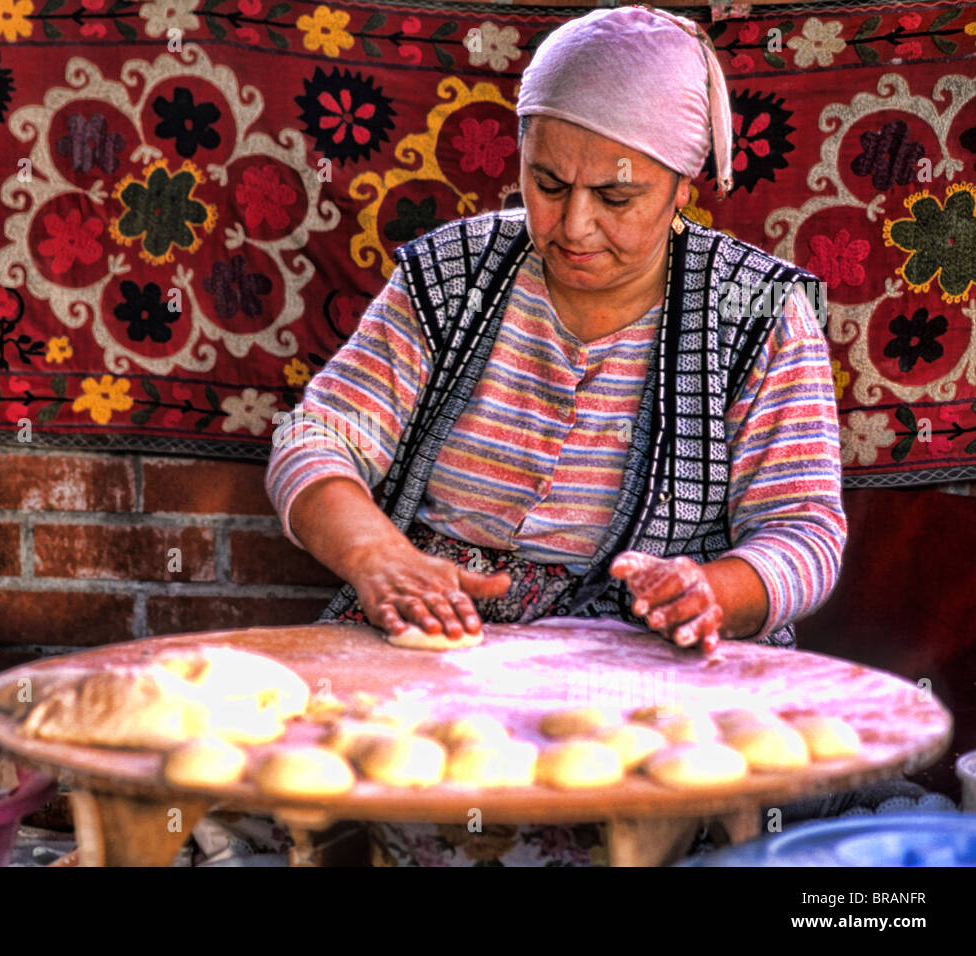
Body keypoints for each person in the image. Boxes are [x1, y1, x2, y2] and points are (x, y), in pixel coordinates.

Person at [261, 4, 846, 866]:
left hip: (640, 657)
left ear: (685, 185)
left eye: (617, 196)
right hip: (442, 637)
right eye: (546, 184)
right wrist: (378, 558)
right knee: (332, 780)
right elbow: (314, 438)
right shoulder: (455, 276)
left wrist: (715, 591)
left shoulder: (757, 312)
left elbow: (807, 531)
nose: (574, 227)